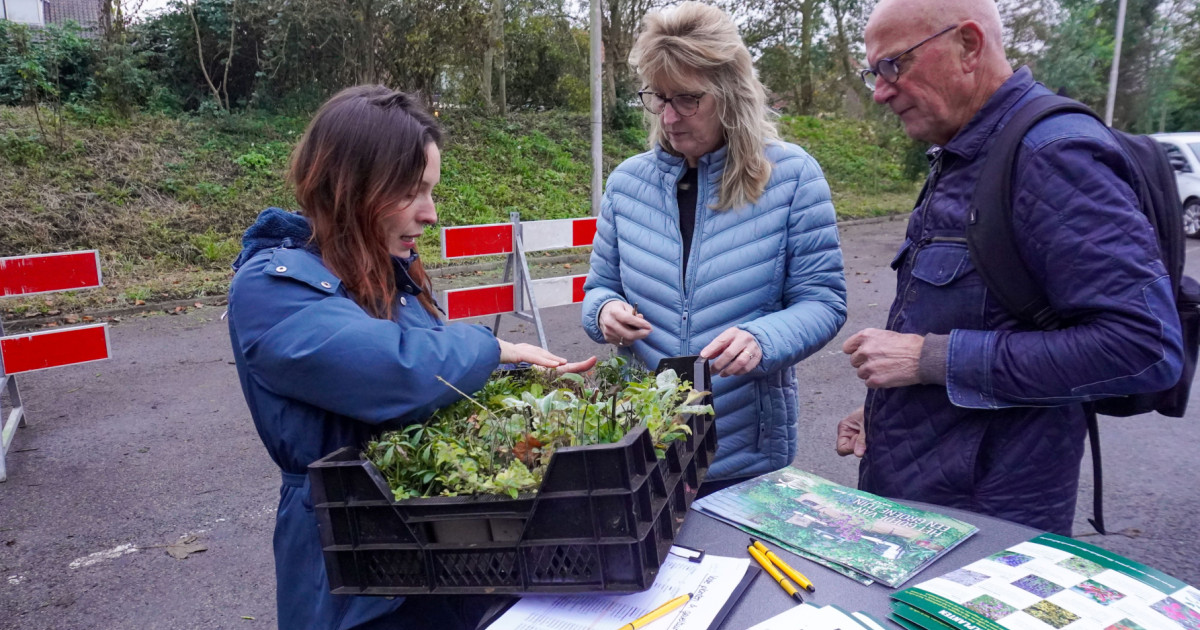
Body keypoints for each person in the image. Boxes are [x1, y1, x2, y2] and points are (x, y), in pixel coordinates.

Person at [226, 86, 593, 630]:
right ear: (350, 184)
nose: (431, 214)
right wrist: (495, 348)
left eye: (432, 191)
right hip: (353, 584)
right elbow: (397, 370)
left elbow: (437, 381)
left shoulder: (389, 275)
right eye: (412, 191)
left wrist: (524, 377)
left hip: (439, 560)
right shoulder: (271, 289)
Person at [837, 0, 1184, 535]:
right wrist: (888, 411)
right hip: (929, 496)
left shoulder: (1052, 156)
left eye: (893, 65)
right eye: (873, 72)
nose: (881, 90)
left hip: (987, 526)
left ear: (969, 46)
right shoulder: (967, 151)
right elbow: (978, 314)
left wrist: (929, 360)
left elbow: (1144, 347)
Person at [581, 2, 848, 491]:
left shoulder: (791, 178)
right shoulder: (626, 183)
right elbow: (599, 287)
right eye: (657, 98)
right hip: (645, 442)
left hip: (744, 455)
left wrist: (763, 340)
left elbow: (824, 302)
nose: (668, 116)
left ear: (730, 94)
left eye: (687, 99)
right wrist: (603, 312)